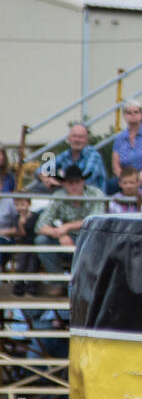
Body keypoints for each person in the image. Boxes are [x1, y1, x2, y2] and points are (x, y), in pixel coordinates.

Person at [34, 165, 106, 293]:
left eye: (77, 182)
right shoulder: (59, 195)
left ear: (82, 182)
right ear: (64, 184)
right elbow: (40, 225)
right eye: (70, 182)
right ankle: (58, 283)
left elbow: (96, 221)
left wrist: (66, 227)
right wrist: (60, 234)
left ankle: (89, 285)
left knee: (99, 241)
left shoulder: (95, 194)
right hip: (68, 239)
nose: (73, 186)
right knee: (41, 240)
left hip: (90, 239)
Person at [51, 124, 108, 193]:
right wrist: (45, 178)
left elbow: (85, 181)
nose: (77, 140)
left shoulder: (94, 156)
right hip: (70, 196)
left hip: (92, 198)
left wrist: (58, 182)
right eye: (74, 136)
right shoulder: (65, 155)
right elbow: (43, 169)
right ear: (68, 139)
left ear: (87, 140)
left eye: (81, 137)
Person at [0, 194, 38, 295]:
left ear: (28, 204)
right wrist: (21, 224)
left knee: (32, 265)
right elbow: (21, 233)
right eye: (16, 205)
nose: (19, 207)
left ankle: (31, 288)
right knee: (21, 265)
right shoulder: (17, 218)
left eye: (22, 204)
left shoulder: (35, 216)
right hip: (24, 245)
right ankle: (18, 287)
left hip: (34, 245)